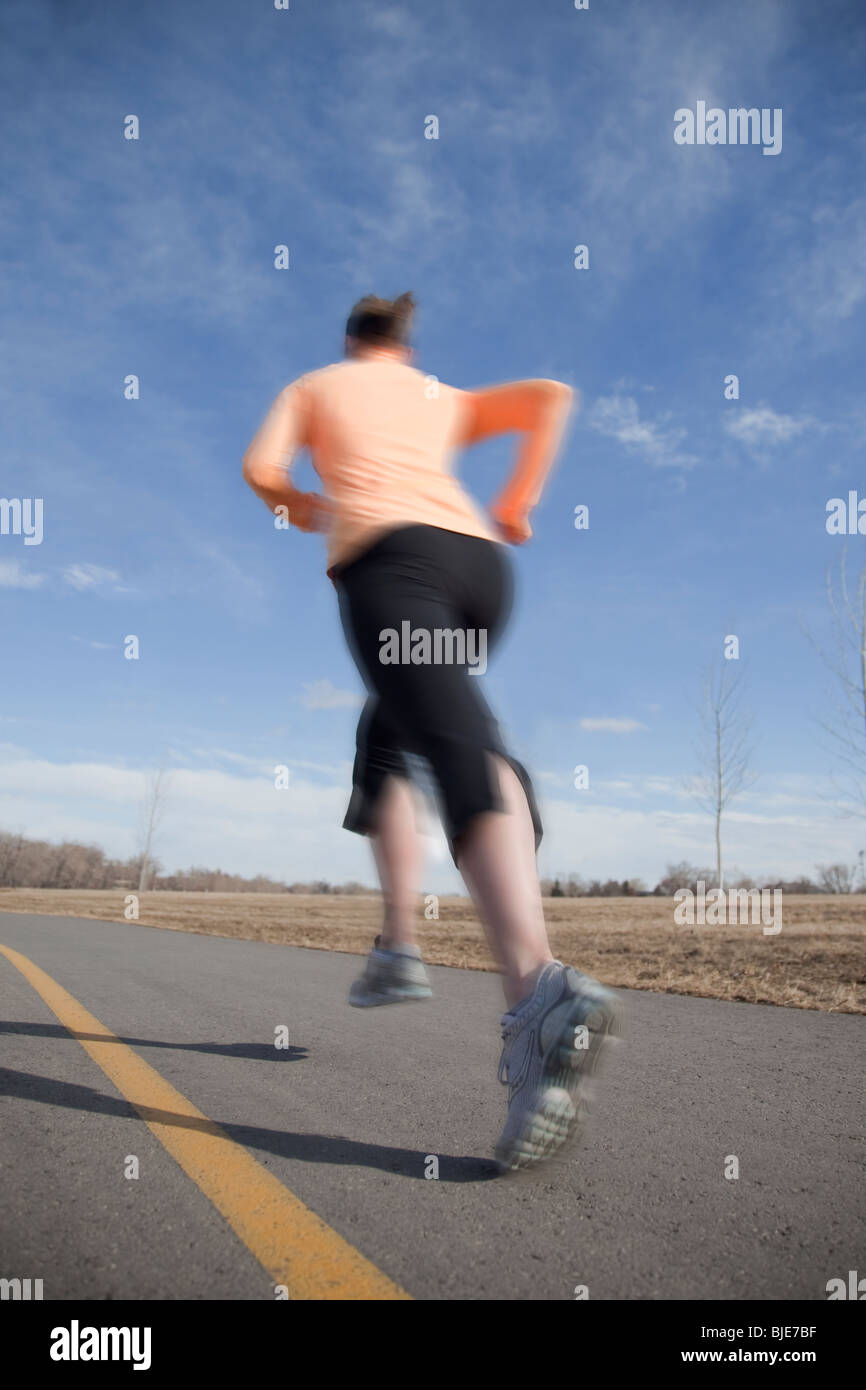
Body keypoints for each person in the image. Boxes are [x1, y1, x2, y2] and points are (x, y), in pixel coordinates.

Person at [242, 293, 621, 1171]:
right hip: (480, 568)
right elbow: (551, 398)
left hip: (394, 560)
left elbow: (261, 469)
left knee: (449, 732)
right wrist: (519, 498)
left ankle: (537, 991)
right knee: (407, 723)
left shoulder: (316, 383)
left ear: (352, 340)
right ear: (405, 347)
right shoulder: (436, 395)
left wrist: (304, 505)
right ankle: (399, 948)